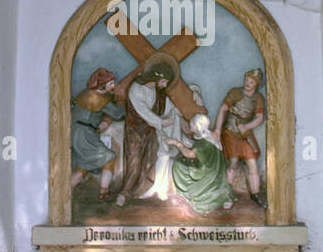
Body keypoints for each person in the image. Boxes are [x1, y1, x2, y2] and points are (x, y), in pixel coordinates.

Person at [115, 52, 181, 207]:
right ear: (156, 78)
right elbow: (145, 114)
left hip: (150, 132)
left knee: (152, 157)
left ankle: (144, 191)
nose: (165, 85)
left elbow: (166, 108)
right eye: (164, 81)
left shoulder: (159, 92)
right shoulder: (136, 89)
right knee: (135, 160)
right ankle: (124, 192)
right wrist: (165, 122)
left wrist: (174, 113)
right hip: (136, 131)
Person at [214, 67, 266, 208]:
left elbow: (259, 118)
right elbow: (223, 109)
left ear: (257, 84)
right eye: (247, 80)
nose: (248, 83)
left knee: (252, 162)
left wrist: (246, 127)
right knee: (233, 162)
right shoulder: (235, 93)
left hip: (244, 135)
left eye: (251, 81)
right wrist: (218, 129)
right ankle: (227, 195)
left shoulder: (258, 98)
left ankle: (255, 193)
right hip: (230, 132)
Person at [70, 68, 124, 201]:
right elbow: (118, 113)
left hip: (77, 132)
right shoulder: (98, 99)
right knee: (109, 157)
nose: (113, 86)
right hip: (85, 135)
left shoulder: (85, 94)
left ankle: (64, 191)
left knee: (83, 165)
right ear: (102, 84)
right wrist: (121, 101)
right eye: (110, 83)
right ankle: (103, 191)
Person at [167, 113, 235, 214]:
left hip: (208, 174)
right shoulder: (210, 136)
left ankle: (190, 193)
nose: (190, 124)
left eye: (193, 123)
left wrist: (177, 143)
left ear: (198, 126)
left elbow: (190, 154)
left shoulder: (205, 144)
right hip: (214, 170)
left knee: (178, 165)